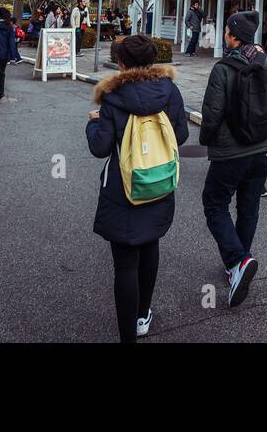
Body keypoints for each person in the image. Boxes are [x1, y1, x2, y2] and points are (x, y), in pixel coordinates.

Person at [86, 35, 189, 342]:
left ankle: (127, 335)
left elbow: (100, 146)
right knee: (150, 244)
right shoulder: (169, 91)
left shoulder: (113, 96)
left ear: (121, 62)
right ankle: (143, 315)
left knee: (125, 265)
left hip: (123, 187)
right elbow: (180, 135)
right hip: (159, 179)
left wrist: (94, 122)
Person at [198, 10, 267, 307]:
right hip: (262, 151)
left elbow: (211, 115)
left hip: (230, 153)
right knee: (249, 207)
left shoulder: (223, 69)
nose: (224, 35)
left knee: (214, 203)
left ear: (233, 36)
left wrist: (207, 140)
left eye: (226, 31)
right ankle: (238, 264)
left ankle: (239, 260)